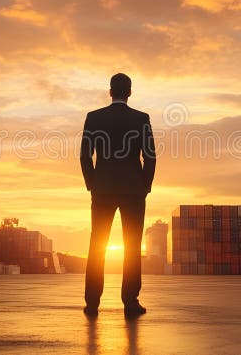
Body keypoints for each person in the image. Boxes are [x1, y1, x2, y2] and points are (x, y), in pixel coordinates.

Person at [80, 73, 156, 317]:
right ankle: (130, 302)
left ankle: (92, 303)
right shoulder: (141, 119)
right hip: (133, 190)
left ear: (110, 91)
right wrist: (144, 186)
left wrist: (92, 183)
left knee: (97, 244)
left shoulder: (94, 118)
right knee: (132, 246)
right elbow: (150, 156)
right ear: (130, 92)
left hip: (102, 189)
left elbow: (84, 155)